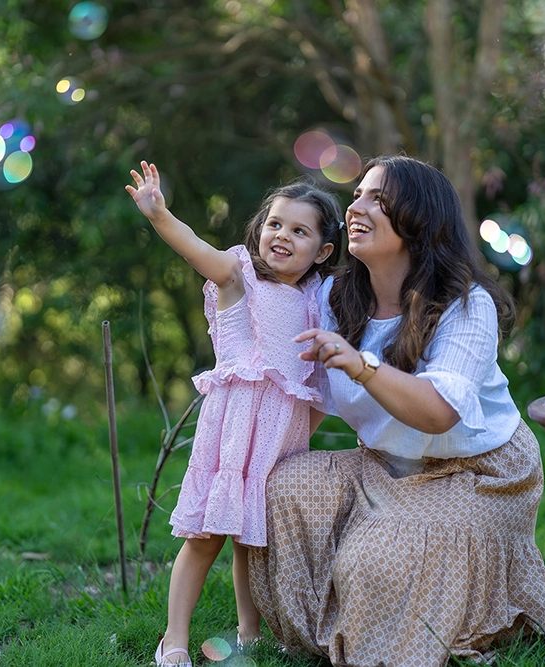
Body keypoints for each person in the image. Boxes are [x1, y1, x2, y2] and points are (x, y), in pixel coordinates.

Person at [247, 155, 545, 666]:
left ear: (419, 219)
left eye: (378, 200)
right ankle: (329, 635)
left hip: (479, 473)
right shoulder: (336, 297)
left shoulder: (465, 305)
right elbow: (302, 387)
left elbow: (439, 413)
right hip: (384, 466)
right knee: (284, 488)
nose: (355, 208)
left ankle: (437, 617)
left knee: (374, 561)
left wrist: (362, 365)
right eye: (358, 196)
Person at [125, 161, 343, 667]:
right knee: (206, 538)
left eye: (299, 231)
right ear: (259, 228)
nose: (282, 235)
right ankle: (174, 640)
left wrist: (299, 439)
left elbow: (311, 391)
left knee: (252, 541)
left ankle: (250, 635)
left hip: (279, 442)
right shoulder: (237, 275)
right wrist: (159, 216)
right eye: (275, 223)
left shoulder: (317, 302)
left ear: (323, 251)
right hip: (231, 434)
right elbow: (195, 248)